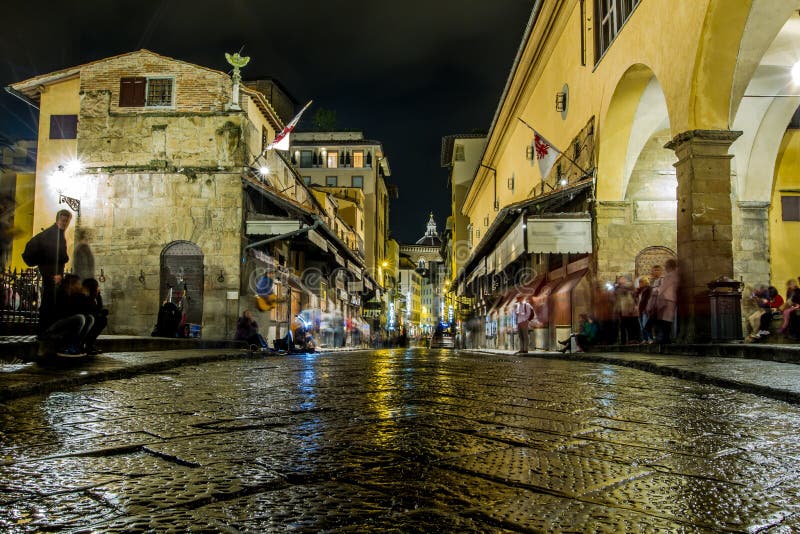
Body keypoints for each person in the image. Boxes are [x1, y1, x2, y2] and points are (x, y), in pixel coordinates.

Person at [22, 209, 72, 332]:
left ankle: (47, 330)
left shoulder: (58, 234)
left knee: (50, 301)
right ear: (58, 220)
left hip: (53, 274)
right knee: (49, 302)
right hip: (52, 274)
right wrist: (54, 274)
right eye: (63, 220)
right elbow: (50, 256)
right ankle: (45, 330)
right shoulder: (52, 235)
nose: (65, 223)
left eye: (67, 221)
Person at [37, 274, 94, 358]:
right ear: (71, 285)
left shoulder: (73, 295)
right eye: (78, 284)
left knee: (90, 318)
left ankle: (76, 345)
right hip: (52, 326)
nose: (80, 287)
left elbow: (86, 311)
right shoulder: (61, 293)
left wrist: (86, 297)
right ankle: (66, 348)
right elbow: (67, 312)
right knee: (80, 318)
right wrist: (82, 296)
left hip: (62, 322)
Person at [653, 259, 678, 344]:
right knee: (668, 319)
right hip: (672, 299)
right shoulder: (676, 275)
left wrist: (656, 291)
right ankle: (666, 338)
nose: (665, 268)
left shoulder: (670, 275)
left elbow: (663, 288)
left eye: (666, 266)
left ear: (669, 267)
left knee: (665, 320)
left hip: (667, 299)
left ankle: (665, 338)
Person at [81, 278, 108, 354]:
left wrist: (98, 296)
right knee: (101, 320)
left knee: (102, 319)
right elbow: (93, 311)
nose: (98, 288)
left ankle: (89, 345)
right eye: (97, 287)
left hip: (89, 320)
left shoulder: (91, 298)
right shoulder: (85, 297)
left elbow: (98, 309)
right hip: (85, 321)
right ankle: (87, 345)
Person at [635, 276, 654, 344]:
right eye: (639, 282)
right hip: (640, 309)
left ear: (645, 282)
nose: (640, 283)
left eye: (641, 282)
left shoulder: (648, 289)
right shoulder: (640, 290)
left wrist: (647, 308)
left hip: (645, 309)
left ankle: (650, 338)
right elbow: (637, 299)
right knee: (641, 326)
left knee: (646, 324)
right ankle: (645, 339)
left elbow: (647, 299)